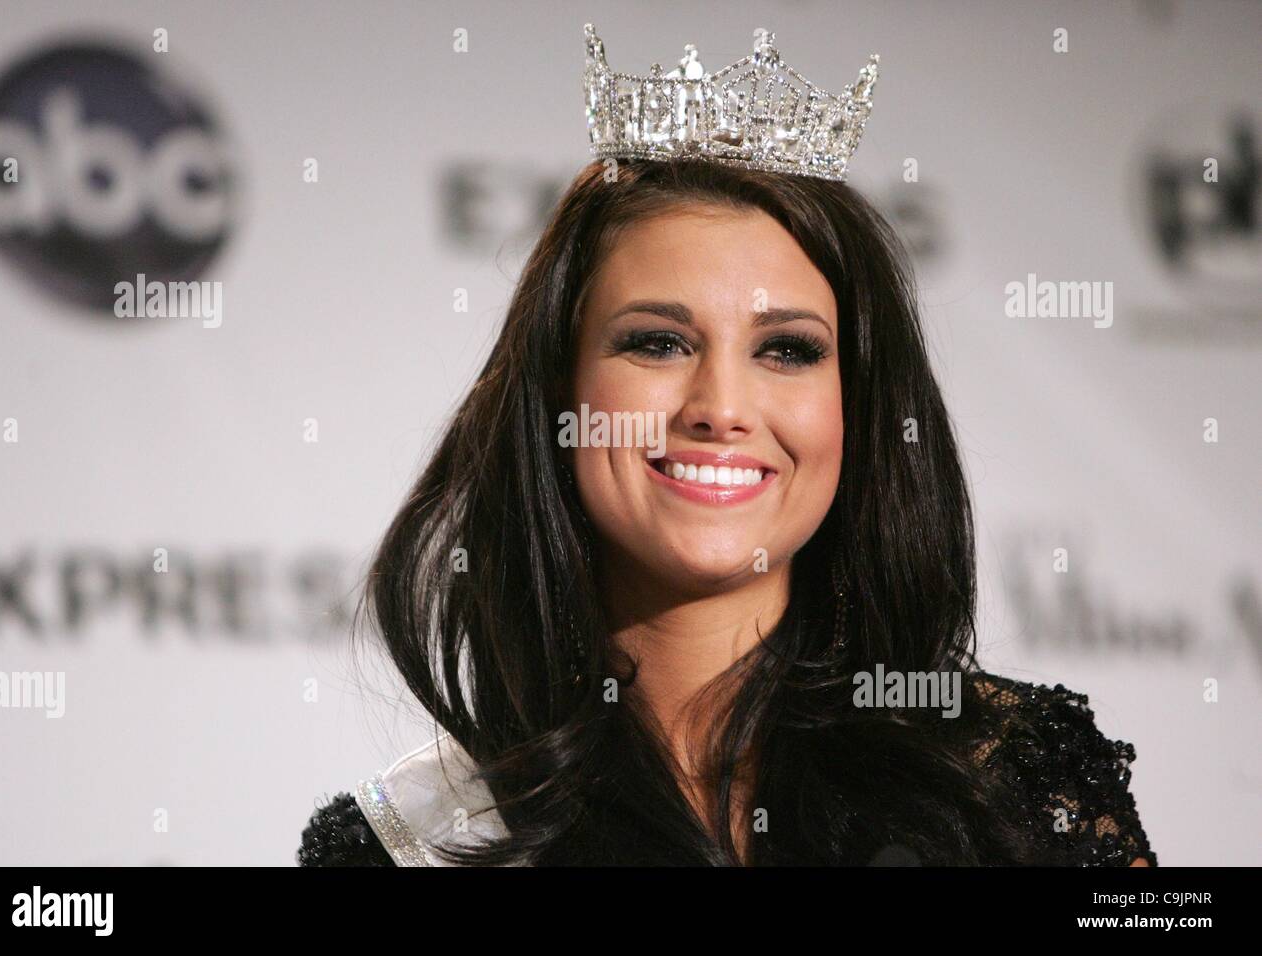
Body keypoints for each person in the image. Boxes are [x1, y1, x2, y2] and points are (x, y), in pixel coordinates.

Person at [297, 24, 1155, 867]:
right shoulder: (414, 844)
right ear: (559, 393)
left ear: (858, 410)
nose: (721, 409)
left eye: (788, 350)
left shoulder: (1013, 781)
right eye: (658, 343)